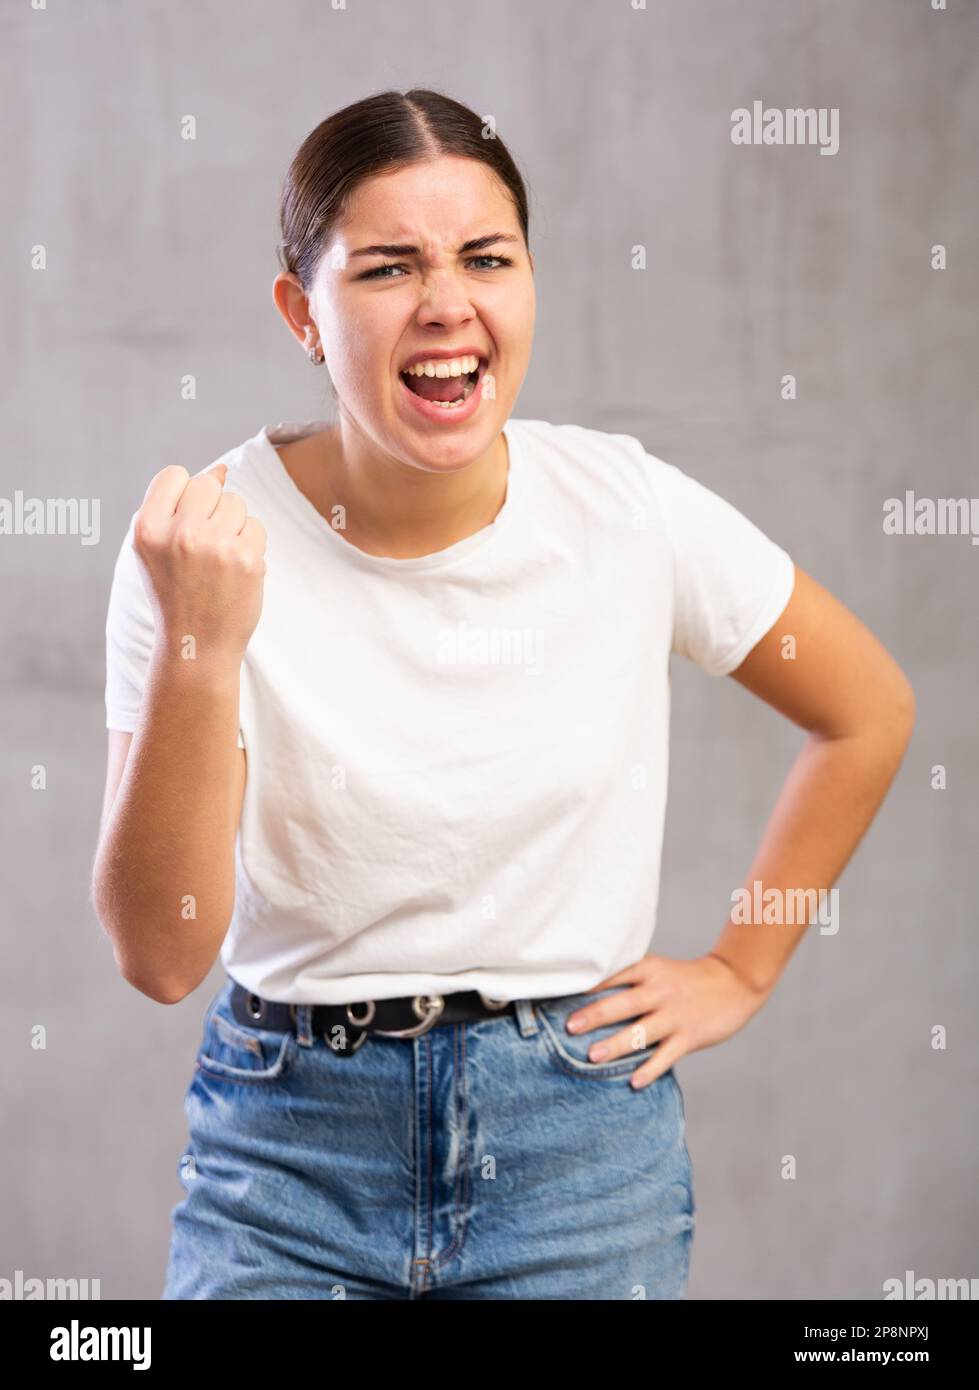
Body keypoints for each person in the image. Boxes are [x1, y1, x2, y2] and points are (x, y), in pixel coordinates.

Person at [91, 88, 915, 1301]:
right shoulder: (198, 543)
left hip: (577, 1148)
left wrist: (741, 969)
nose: (447, 304)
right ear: (301, 314)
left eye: (487, 257)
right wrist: (202, 647)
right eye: (385, 268)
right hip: (288, 1149)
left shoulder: (625, 510)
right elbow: (163, 957)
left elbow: (868, 710)